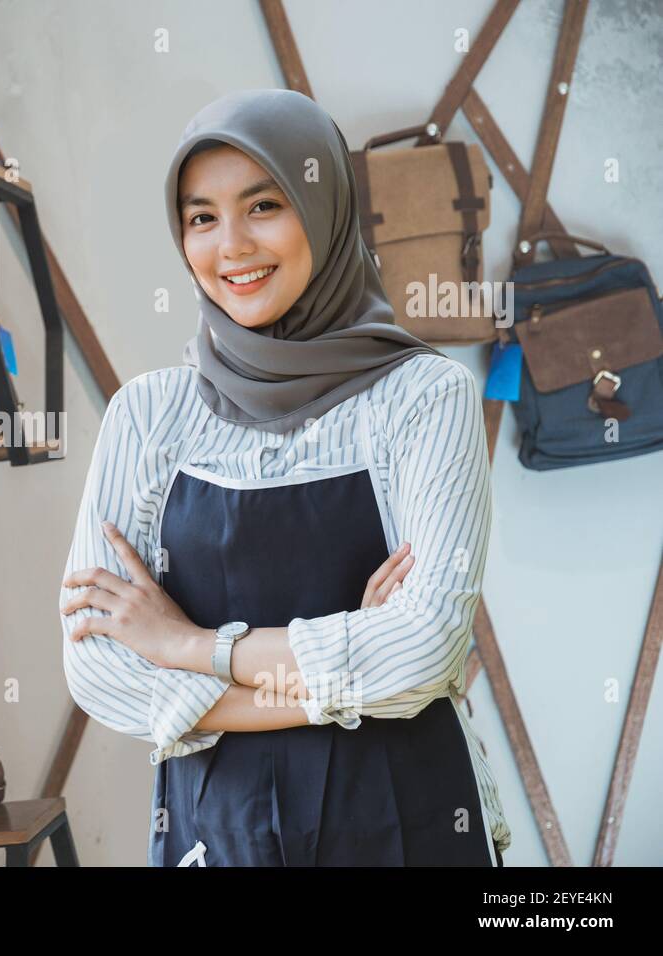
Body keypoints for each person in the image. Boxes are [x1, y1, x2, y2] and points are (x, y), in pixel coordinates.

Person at [58, 88, 510, 866]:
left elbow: (427, 649)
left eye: (263, 205)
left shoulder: (422, 397)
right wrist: (346, 682)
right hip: (216, 834)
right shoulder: (148, 416)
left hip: (406, 822)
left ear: (324, 208)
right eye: (201, 217)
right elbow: (97, 670)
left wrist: (189, 645)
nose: (229, 245)